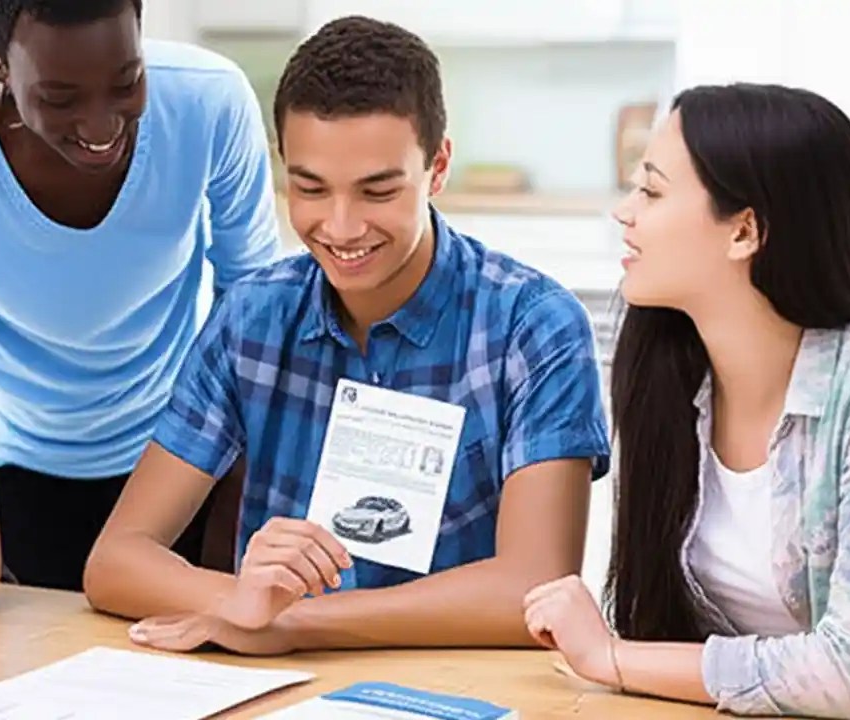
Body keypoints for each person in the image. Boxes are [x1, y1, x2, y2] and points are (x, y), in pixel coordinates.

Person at [84, 15, 611, 655]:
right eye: (310, 188)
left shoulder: (532, 326)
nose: (341, 226)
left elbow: (534, 591)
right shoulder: (253, 317)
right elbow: (114, 561)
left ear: (437, 166)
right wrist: (240, 601)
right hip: (280, 687)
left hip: (455, 685)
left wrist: (292, 623)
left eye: (377, 191)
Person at [523, 84, 850, 718]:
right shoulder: (664, 366)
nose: (625, 213)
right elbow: (661, 622)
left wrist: (613, 658)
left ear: (745, 232)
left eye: (651, 192)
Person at [0, 0, 282, 592]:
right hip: (10, 472)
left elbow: (253, 308)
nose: (101, 124)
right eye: (60, 99)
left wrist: (231, 508)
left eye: (127, 83)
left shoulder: (209, 103)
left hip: (178, 461)